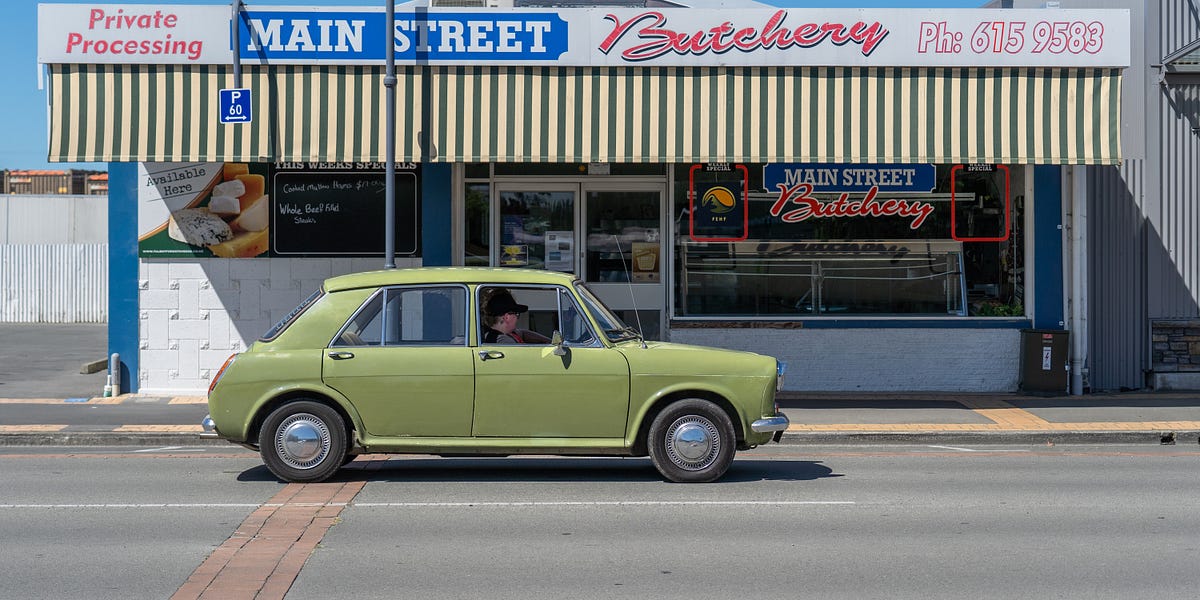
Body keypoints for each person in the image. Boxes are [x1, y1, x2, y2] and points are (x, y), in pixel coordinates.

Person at [481, 289, 550, 344]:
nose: (517, 318)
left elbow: (523, 333)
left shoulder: (510, 333)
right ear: (507, 317)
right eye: (516, 314)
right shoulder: (503, 341)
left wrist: (550, 341)